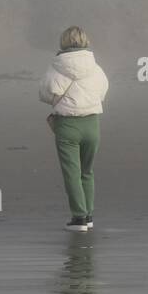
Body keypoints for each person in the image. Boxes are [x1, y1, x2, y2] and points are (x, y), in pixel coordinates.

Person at [40, 26, 109, 231]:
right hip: (92, 124)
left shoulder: (56, 66)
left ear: (63, 42)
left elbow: (44, 92)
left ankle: (78, 218)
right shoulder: (95, 67)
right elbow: (103, 89)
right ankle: (88, 215)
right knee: (87, 171)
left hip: (67, 125)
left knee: (72, 172)